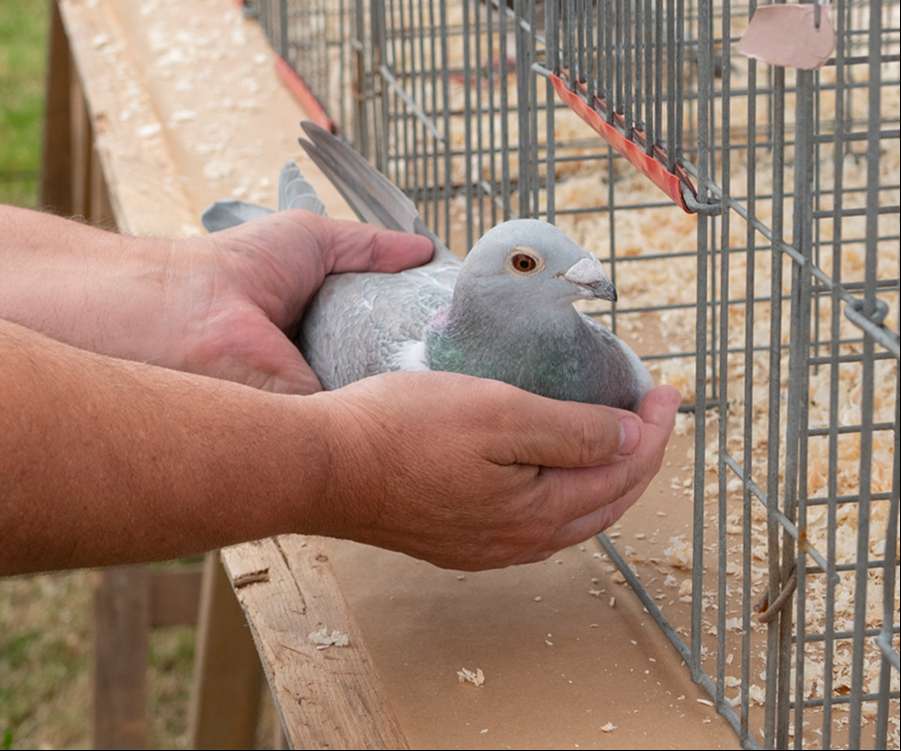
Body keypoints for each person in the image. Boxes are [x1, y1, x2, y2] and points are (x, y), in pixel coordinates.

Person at [0, 204, 680, 576]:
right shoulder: (404, 363)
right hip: (345, 300)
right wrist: (349, 462)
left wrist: (189, 282)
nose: (590, 279)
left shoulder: (614, 370)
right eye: (530, 264)